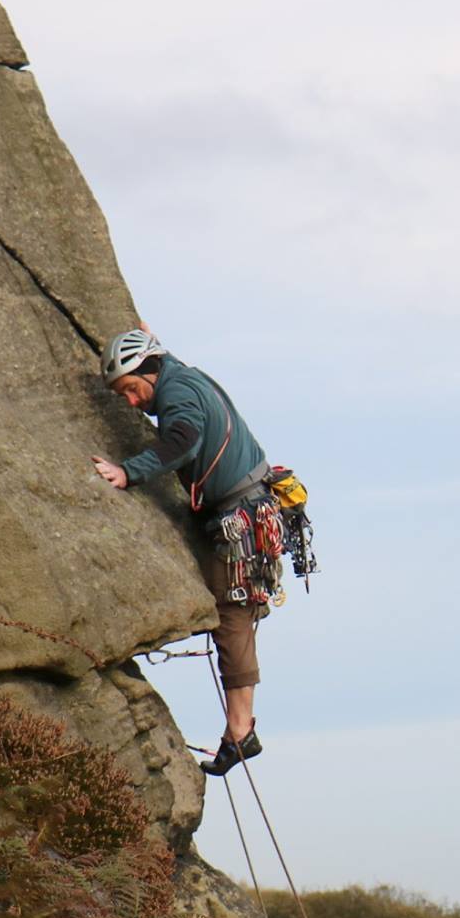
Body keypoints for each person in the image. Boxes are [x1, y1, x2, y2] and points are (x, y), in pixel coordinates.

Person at [89, 329, 276, 776]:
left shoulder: (176, 393)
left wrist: (128, 472)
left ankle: (240, 730)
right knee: (237, 611)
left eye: (131, 389)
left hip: (239, 515)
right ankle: (240, 727)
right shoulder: (179, 374)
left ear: (149, 371)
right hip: (246, 505)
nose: (131, 402)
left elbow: (182, 441)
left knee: (232, 614)